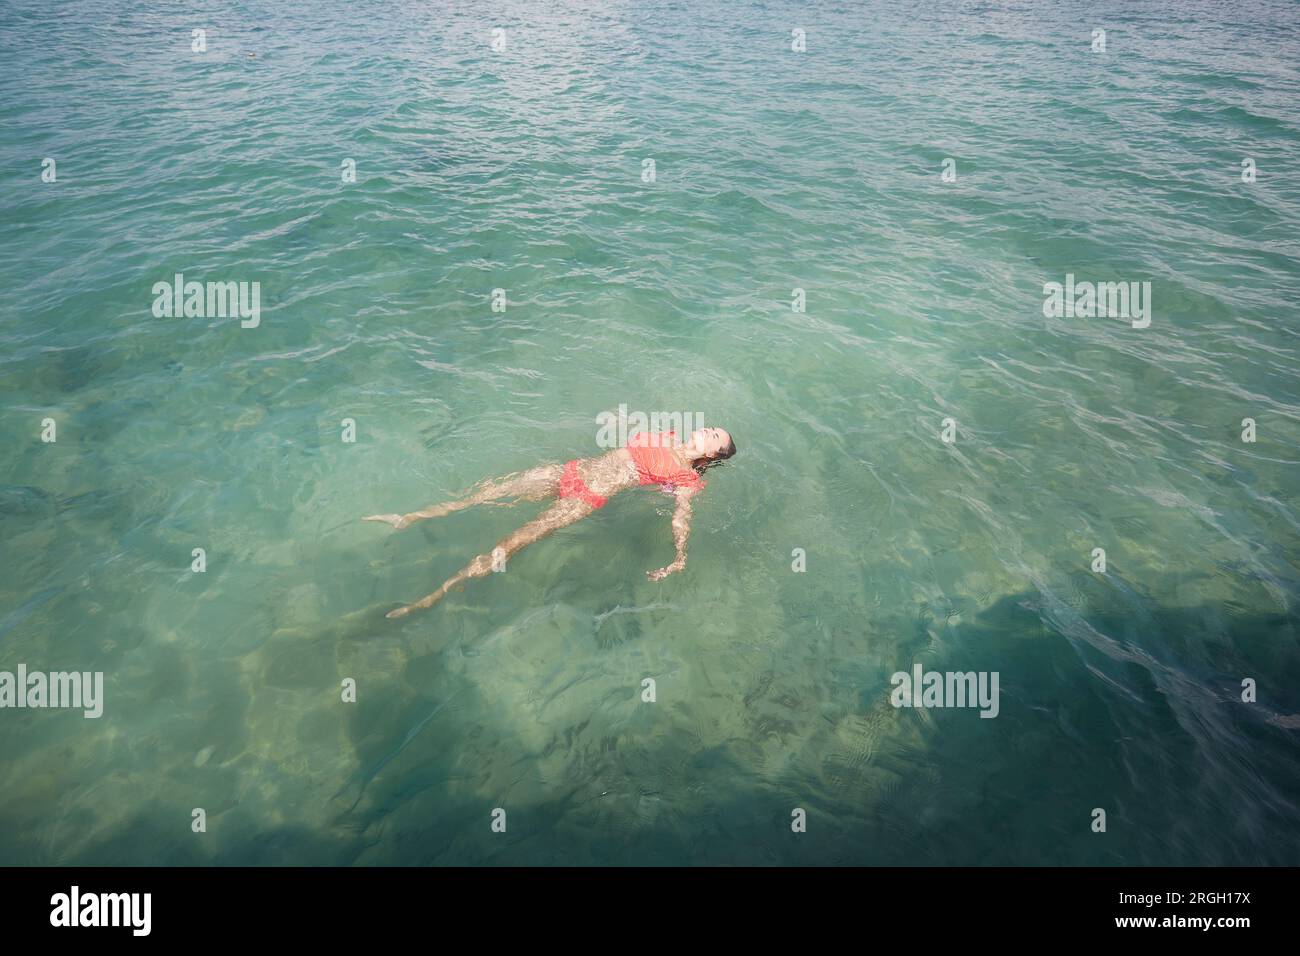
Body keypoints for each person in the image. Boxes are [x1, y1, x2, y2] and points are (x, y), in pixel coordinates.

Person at [365, 427, 736, 617]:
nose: (707, 430)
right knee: (487, 493)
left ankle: (438, 593)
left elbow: (681, 517)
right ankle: (408, 518)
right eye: (711, 427)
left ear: (713, 454)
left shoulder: (689, 480)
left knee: (512, 542)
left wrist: (679, 558)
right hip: (572, 471)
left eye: (714, 436)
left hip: (585, 497)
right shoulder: (670, 436)